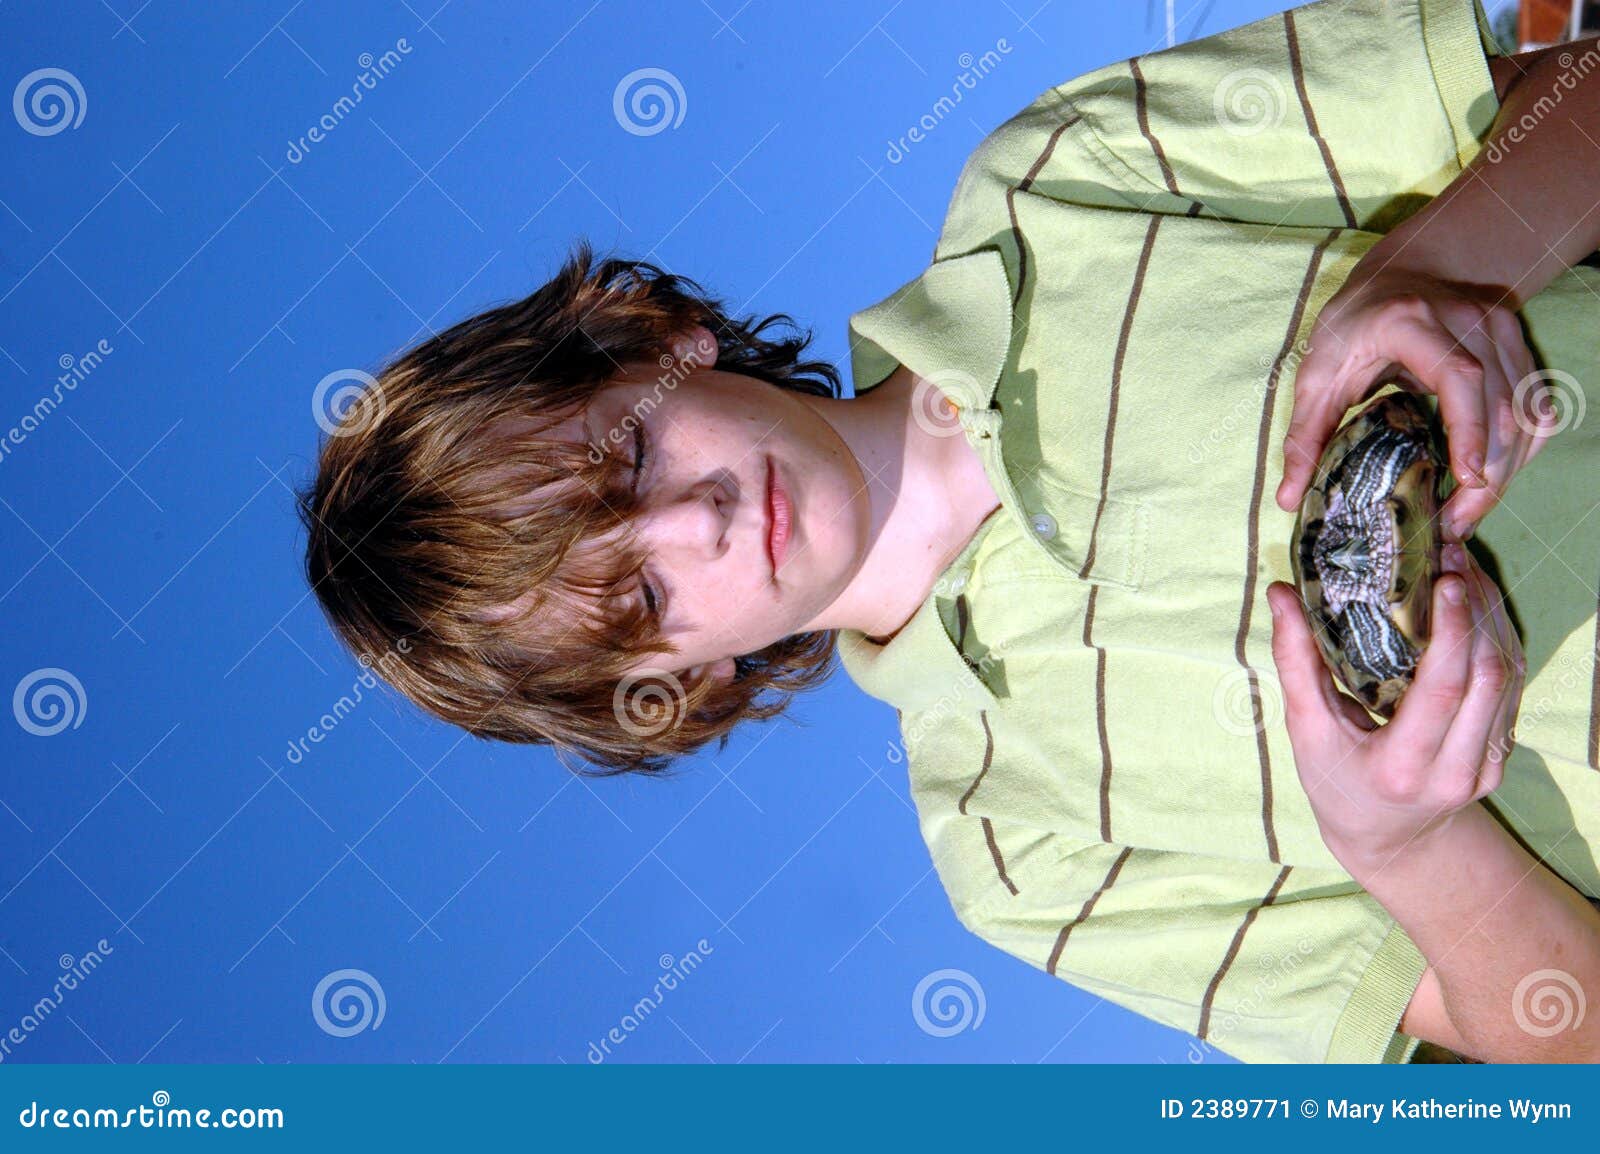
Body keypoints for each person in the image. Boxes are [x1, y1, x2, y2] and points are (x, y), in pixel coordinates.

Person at [298, 0, 1600, 1062]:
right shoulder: (1021, 861)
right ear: (677, 685)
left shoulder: (1050, 183)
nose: (694, 520)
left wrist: (1422, 271)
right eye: (640, 596)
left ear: (654, 343)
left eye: (626, 457)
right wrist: (1412, 847)